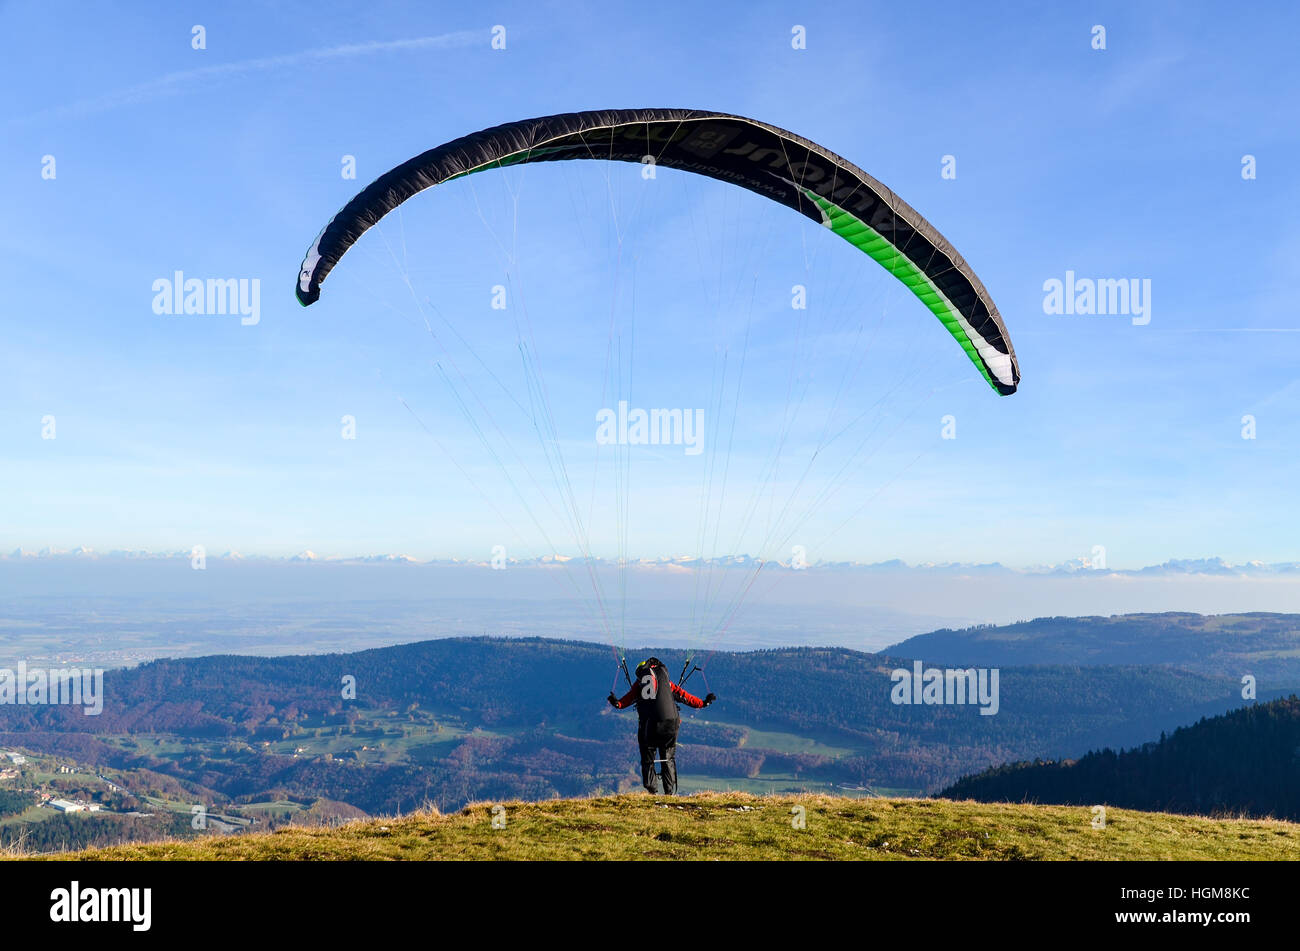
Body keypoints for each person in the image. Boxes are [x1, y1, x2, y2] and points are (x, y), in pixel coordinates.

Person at [607, 657, 716, 795]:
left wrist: (616, 702)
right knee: (668, 758)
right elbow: (685, 697)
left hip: (650, 726)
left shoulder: (640, 682)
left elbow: (625, 701)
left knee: (648, 757)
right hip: (671, 725)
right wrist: (704, 703)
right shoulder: (666, 683)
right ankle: (669, 793)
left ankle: (652, 790)